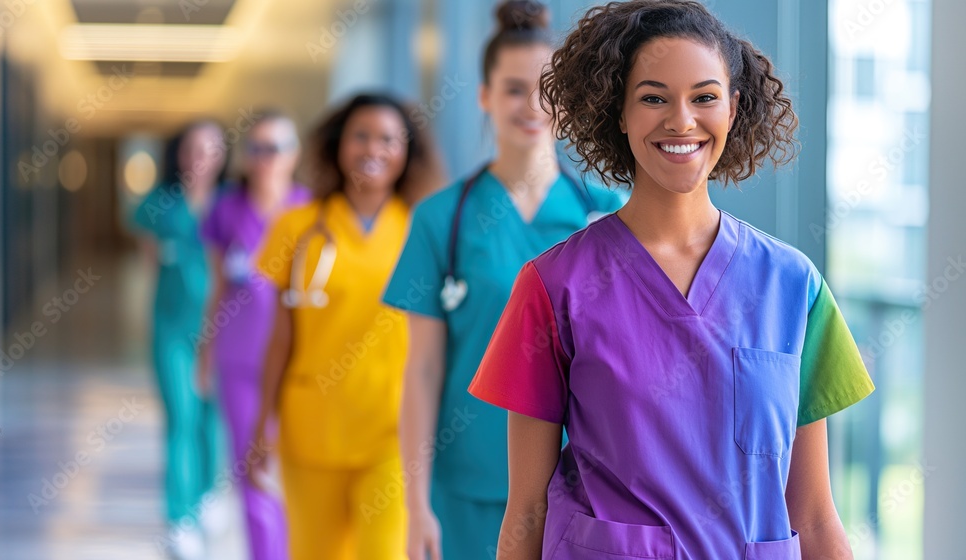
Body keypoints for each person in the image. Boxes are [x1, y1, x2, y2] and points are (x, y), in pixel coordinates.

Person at [468, 1, 877, 558]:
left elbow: (815, 516)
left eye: (704, 97)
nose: (681, 121)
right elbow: (527, 511)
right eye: (654, 97)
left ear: (733, 108)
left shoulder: (793, 286)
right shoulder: (555, 285)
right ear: (620, 110)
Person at [381, 2, 625, 559]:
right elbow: (421, 371)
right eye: (513, 89)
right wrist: (416, 504)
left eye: (546, 89)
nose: (532, 105)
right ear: (484, 96)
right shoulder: (441, 219)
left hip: (585, 485)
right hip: (468, 483)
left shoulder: (608, 217)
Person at [251, 93, 444, 559]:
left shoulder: (426, 228)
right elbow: (281, 336)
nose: (372, 149)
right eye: (360, 135)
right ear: (339, 144)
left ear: (407, 152)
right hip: (311, 430)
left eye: (387, 139)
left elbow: (439, 344)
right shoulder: (296, 227)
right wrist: (262, 424)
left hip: (392, 435)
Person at [198, 110, 310, 560]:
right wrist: (205, 351)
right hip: (240, 361)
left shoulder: (311, 211)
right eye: (256, 149)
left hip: (303, 363)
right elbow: (217, 287)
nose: (265, 159)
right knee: (252, 468)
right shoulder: (226, 210)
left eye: (276, 148)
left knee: (299, 470)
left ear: (294, 154)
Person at [131, 120, 228, 560]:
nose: (199, 159)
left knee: (213, 417)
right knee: (181, 417)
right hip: (173, 329)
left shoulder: (230, 204)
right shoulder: (159, 204)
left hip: (224, 329)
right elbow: (149, 259)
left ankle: (207, 494)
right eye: (191, 149)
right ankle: (180, 517)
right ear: (178, 154)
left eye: (210, 149)